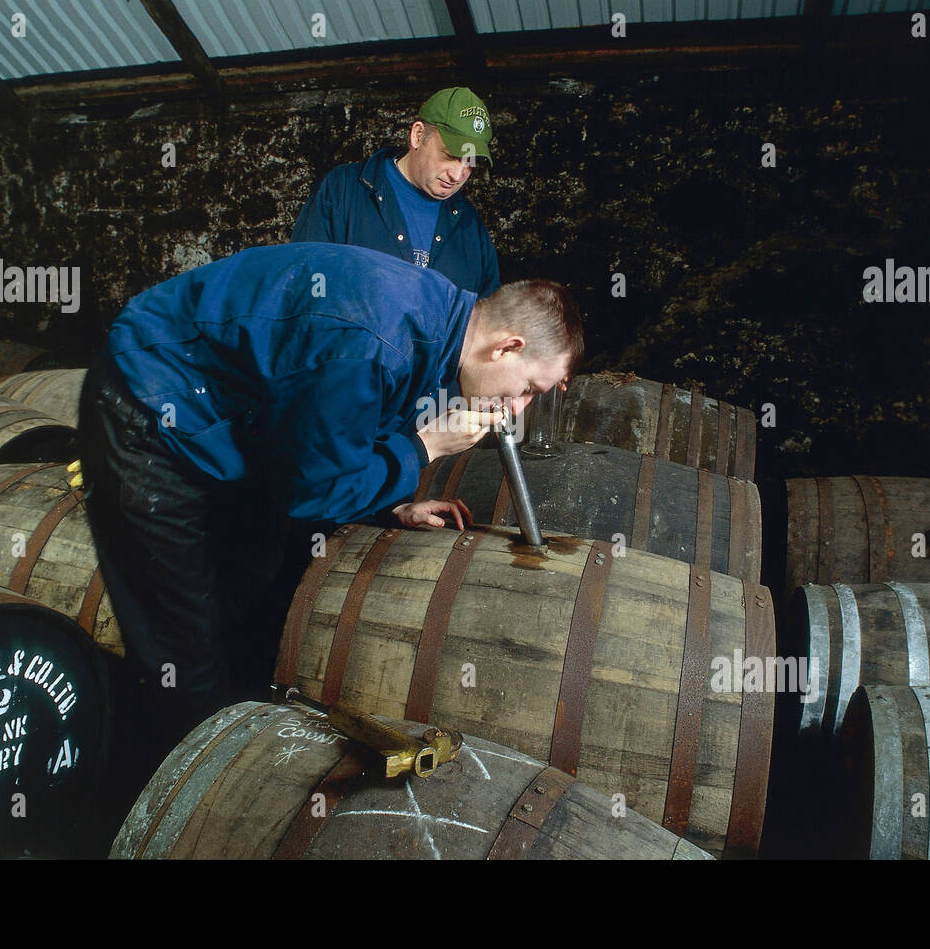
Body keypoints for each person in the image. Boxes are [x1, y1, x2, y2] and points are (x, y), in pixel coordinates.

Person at [77, 243, 582, 755]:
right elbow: (312, 494)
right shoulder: (369, 340)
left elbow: (346, 435)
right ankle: (163, 803)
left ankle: (232, 752)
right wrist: (422, 447)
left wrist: (390, 504)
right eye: (529, 389)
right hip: (149, 404)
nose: (518, 408)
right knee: (182, 649)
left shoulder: (445, 321)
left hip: (234, 423)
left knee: (256, 603)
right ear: (507, 347)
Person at [291, 86, 501, 296]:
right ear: (418, 135)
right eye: (449, 156)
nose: (457, 175)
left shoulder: (470, 223)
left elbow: (489, 316)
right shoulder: (343, 190)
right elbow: (309, 282)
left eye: (469, 162)